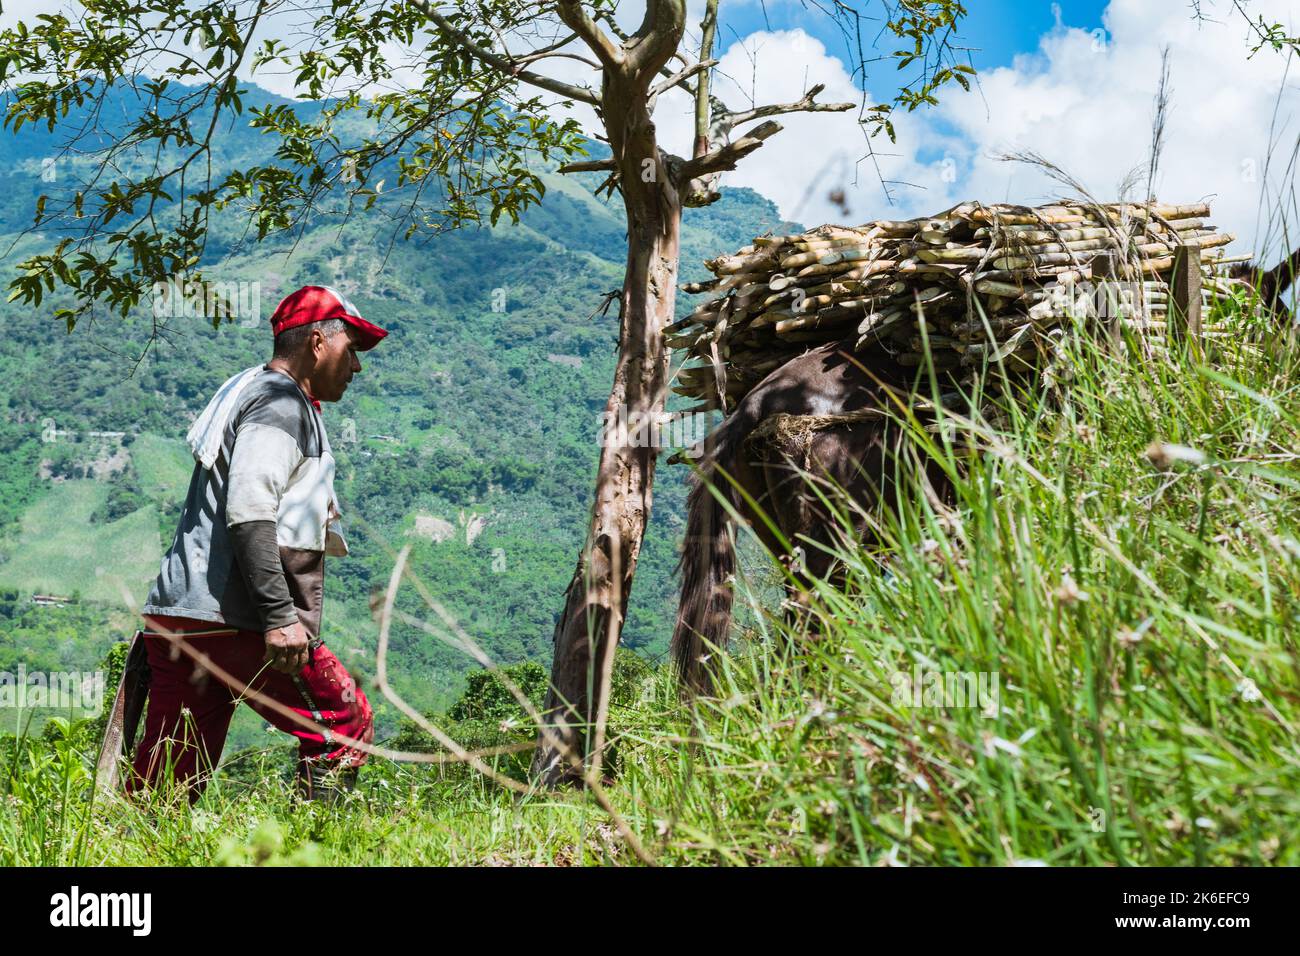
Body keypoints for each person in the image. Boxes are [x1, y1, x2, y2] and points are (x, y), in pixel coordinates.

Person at [129, 285, 388, 803]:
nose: (357, 366)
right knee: (344, 719)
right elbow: (249, 508)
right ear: (319, 342)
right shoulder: (281, 404)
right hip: (236, 618)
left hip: (183, 611)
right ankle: (313, 850)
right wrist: (278, 616)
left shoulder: (246, 388)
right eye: (351, 348)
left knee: (172, 766)